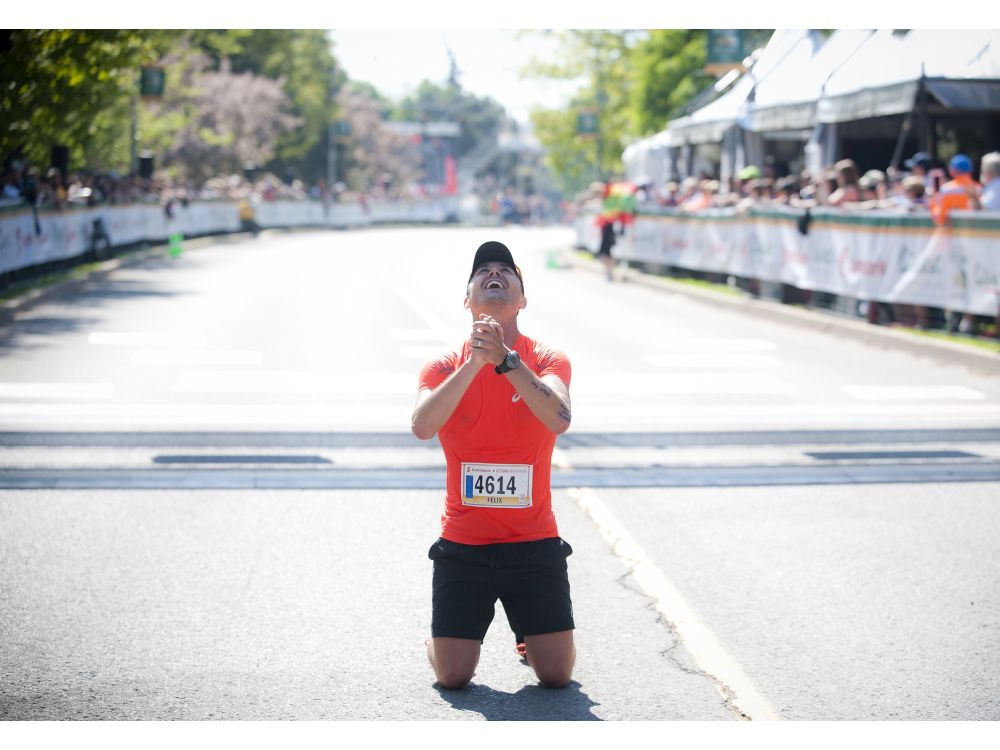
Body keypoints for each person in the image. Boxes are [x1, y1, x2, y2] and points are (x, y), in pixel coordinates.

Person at [412, 240, 575, 690]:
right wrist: (475, 363)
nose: (494, 273)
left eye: (506, 269)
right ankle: (443, 636)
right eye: (483, 270)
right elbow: (423, 427)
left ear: (522, 299)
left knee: (557, 675)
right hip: (465, 542)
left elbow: (560, 417)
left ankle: (528, 632)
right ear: (467, 299)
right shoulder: (443, 365)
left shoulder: (546, 359)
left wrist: (506, 361)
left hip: (533, 540)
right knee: (453, 675)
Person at [930, 154, 981, 226]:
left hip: (954, 234)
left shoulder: (946, 189)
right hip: (977, 232)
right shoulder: (979, 188)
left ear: (952, 170)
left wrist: (934, 200)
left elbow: (939, 219)